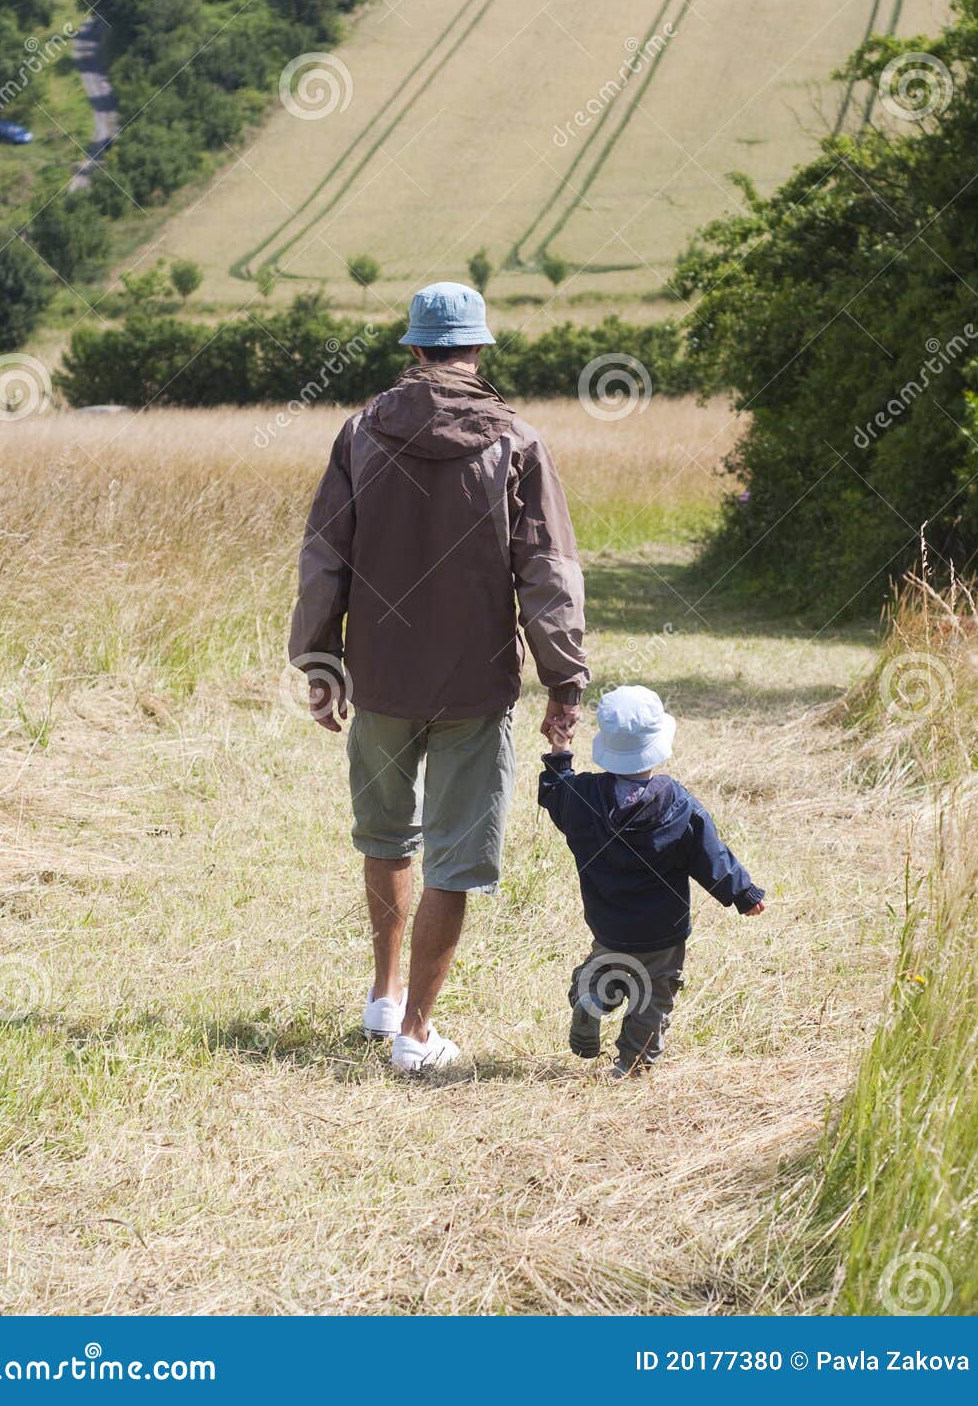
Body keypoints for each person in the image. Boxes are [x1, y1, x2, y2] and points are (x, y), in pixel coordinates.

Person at [289, 282, 589, 1074]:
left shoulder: (358, 434)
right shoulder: (519, 441)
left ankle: (383, 995)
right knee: (455, 858)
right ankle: (415, 1034)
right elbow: (547, 572)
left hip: (379, 678)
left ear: (414, 349)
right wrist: (563, 679)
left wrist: (319, 659)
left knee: (386, 838)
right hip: (476, 684)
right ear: (478, 350)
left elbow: (325, 558)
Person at [538, 685, 766, 1076]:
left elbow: (557, 792)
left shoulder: (584, 797)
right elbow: (711, 855)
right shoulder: (676, 802)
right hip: (664, 933)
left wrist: (560, 749)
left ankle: (593, 998)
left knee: (606, 971)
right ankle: (631, 1064)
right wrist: (742, 892)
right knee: (652, 999)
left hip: (609, 927)